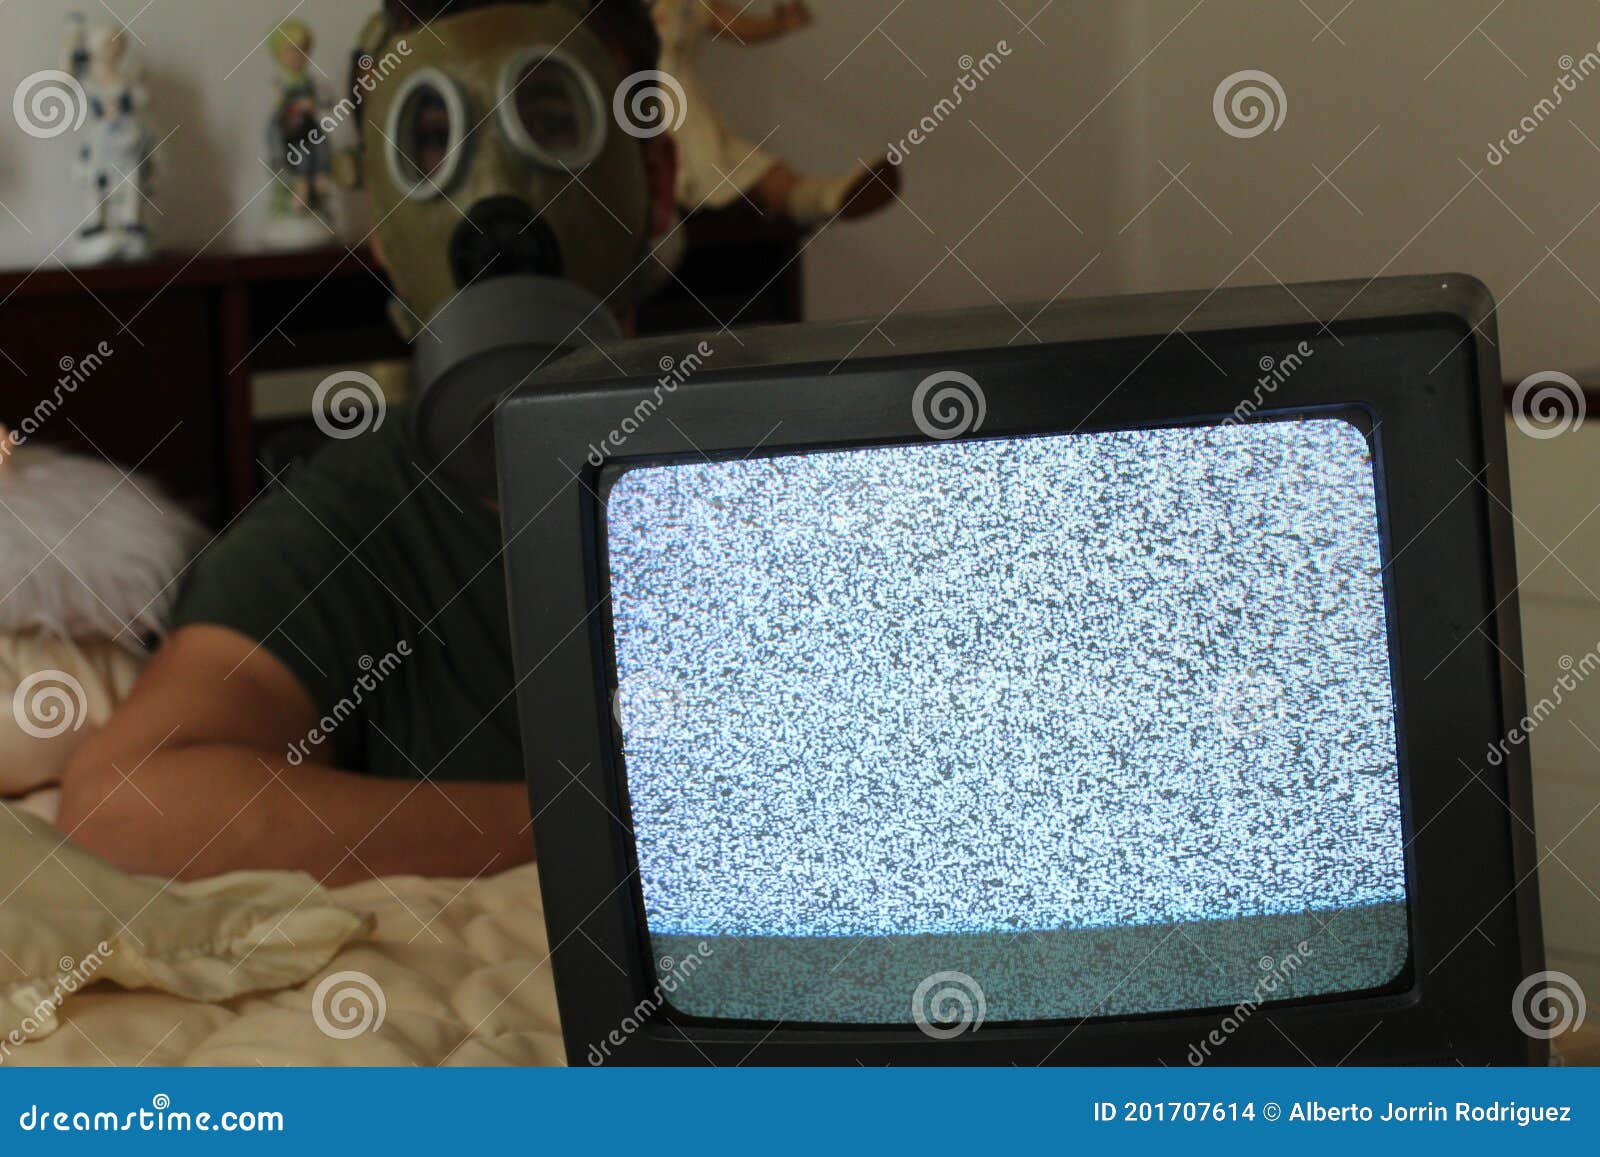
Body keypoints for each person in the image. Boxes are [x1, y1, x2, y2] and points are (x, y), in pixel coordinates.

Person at [58, 0, 679, 886]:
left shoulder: (791, 469)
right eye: (433, 143)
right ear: (382, 225)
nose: (495, 195)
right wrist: (626, 826)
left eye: (551, 122)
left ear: (656, 178)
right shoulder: (349, 522)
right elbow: (128, 805)